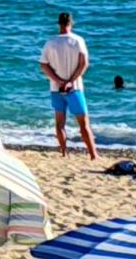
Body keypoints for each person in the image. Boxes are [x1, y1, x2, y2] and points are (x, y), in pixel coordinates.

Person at [39, 12, 97, 159]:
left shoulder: (50, 42)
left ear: (58, 24)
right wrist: (71, 81)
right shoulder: (78, 40)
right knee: (84, 124)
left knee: (60, 123)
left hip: (56, 88)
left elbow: (44, 65)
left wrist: (58, 80)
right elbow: (83, 64)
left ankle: (64, 153)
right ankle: (93, 155)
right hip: (74, 88)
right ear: (71, 23)